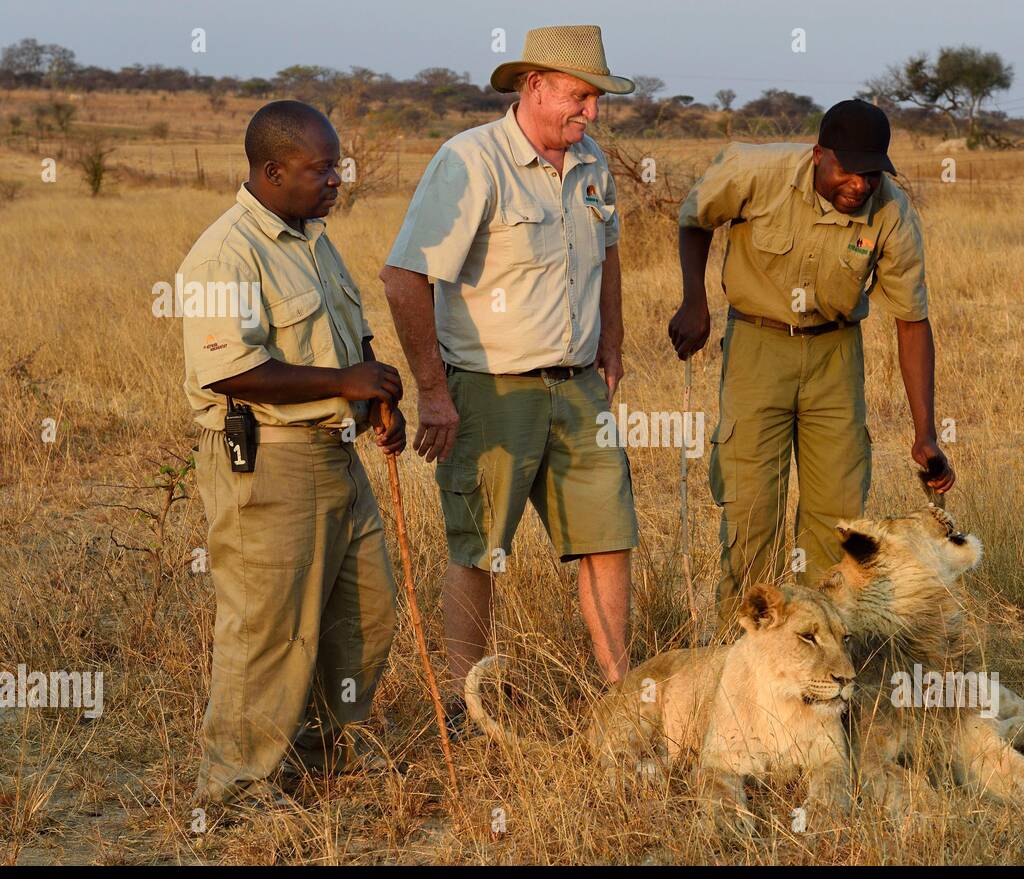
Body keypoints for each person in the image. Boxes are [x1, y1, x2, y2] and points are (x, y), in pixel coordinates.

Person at [380, 25, 638, 736]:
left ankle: (618, 697)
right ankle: (470, 709)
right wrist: (433, 391)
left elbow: (608, 254)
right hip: (490, 388)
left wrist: (611, 342)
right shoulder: (470, 161)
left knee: (607, 536)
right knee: (480, 547)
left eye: (596, 97)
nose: (591, 111)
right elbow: (403, 278)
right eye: (579, 96)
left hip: (580, 386)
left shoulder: (591, 163)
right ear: (534, 87)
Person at [179, 100, 407, 808]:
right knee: (269, 630)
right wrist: (344, 382)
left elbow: (351, 335)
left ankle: (317, 757)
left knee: (365, 611)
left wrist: (377, 396)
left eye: (335, 166)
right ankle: (235, 791)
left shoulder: (311, 237)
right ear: (273, 171)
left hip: (336, 454)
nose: (336, 180)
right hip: (270, 460)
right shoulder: (226, 251)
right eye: (321, 169)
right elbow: (229, 369)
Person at [669, 99, 957, 627]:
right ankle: (741, 657)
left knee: (838, 519)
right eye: (848, 169)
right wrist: (695, 300)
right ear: (818, 154)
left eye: (872, 173)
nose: (861, 185)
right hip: (758, 345)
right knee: (751, 512)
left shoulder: (892, 212)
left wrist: (925, 435)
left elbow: (912, 322)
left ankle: (823, 658)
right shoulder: (756, 172)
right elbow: (695, 219)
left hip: (835, 355)